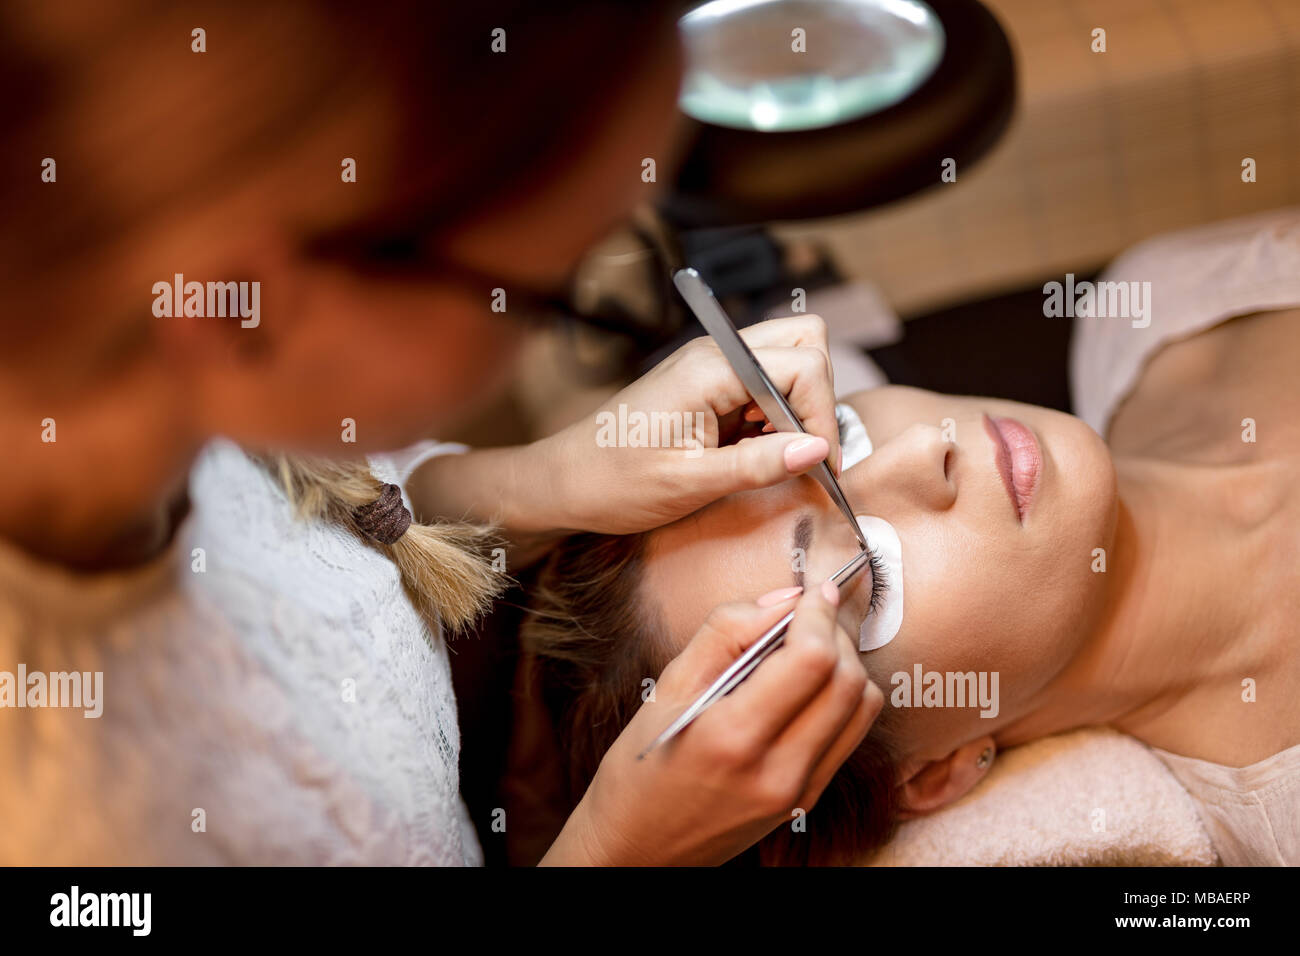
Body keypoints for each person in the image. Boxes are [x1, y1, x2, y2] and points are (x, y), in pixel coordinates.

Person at [0, 1, 880, 865]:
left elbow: (314, 533)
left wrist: (547, 481)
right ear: (248, 313)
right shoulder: (70, 827)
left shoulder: (150, 343)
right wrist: (622, 852)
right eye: (558, 281)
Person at [521, 209, 1300, 866]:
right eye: (873, 580)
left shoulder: (1162, 303)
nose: (923, 453)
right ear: (932, 774)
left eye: (842, 439)